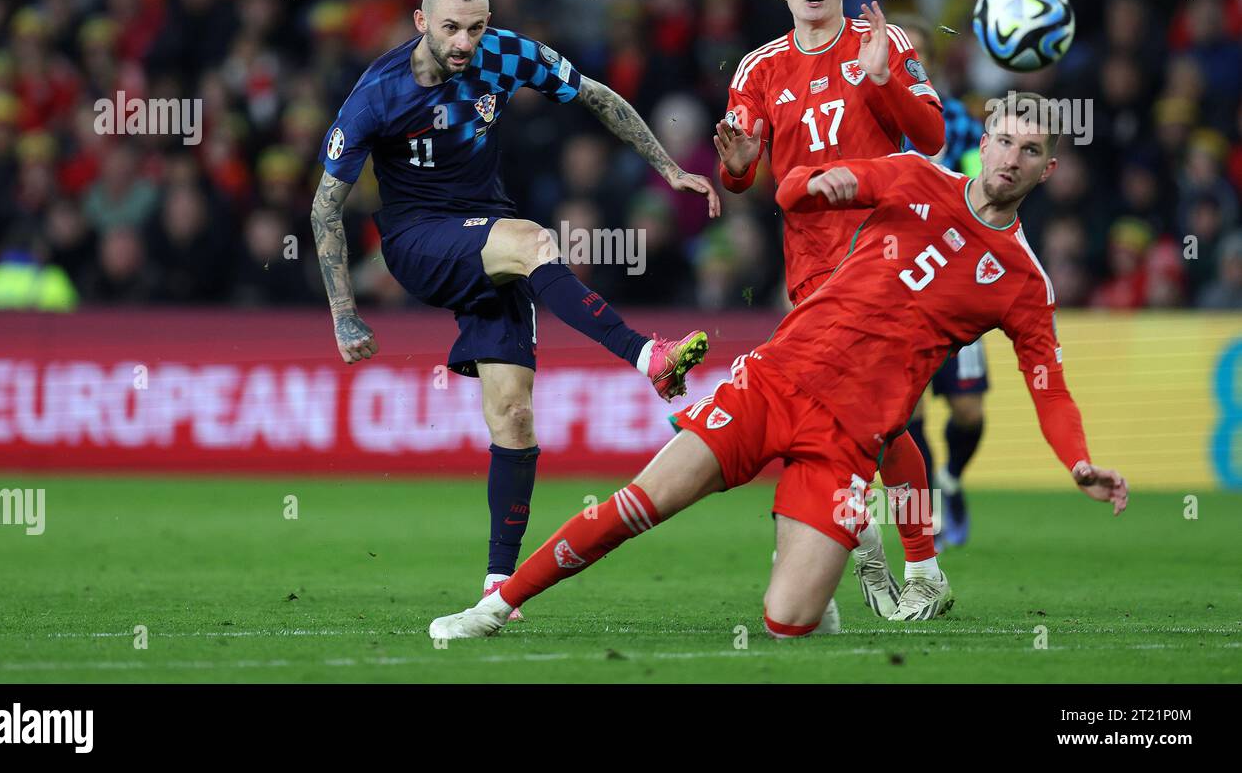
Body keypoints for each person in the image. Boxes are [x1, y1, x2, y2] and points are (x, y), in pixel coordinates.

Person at [429, 92, 1127, 640]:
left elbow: (1050, 389)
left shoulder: (1024, 282)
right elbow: (795, 190)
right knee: (640, 506)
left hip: (846, 441)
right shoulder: (915, 177)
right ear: (987, 141)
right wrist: (809, 185)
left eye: (1028, 150)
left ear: (1047, 170)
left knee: (786, 622)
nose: (1010, 157)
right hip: (774, 382)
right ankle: (494, 605)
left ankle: (844, 533)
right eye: (1002, 140)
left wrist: (1079, 462)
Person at [312, 0, 718, 617]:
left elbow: (595, 97)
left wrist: (668, 167)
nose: (465, 41)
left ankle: (497, 588)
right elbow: (323, 211)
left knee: (514, 416)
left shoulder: (504, 54)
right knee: (534, 241)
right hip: (418, 241)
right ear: (422, 23)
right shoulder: (376, 94)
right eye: (450, 27)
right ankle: (647, 357)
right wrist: (344, 314)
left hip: (485, 239)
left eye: (476, 26)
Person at [711, 0, 949, 620]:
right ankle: (861, 552)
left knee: (882, 422)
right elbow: (742, 174)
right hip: (811, 273)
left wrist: (884, 83)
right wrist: (733, 161)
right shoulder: (758, 68)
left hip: (885, 261)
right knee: (830, 423)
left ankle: (891, 559)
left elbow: (932, 139)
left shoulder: (887, 44)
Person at [899, 16, 991, 548]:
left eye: (917, 53)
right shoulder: (872, 117)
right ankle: (928, 508)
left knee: (968, 410)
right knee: (906, 412)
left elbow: (984, 186)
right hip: (897, 287)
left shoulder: (956, 121)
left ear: (929, 62)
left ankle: (953, 479)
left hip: (955, 284)